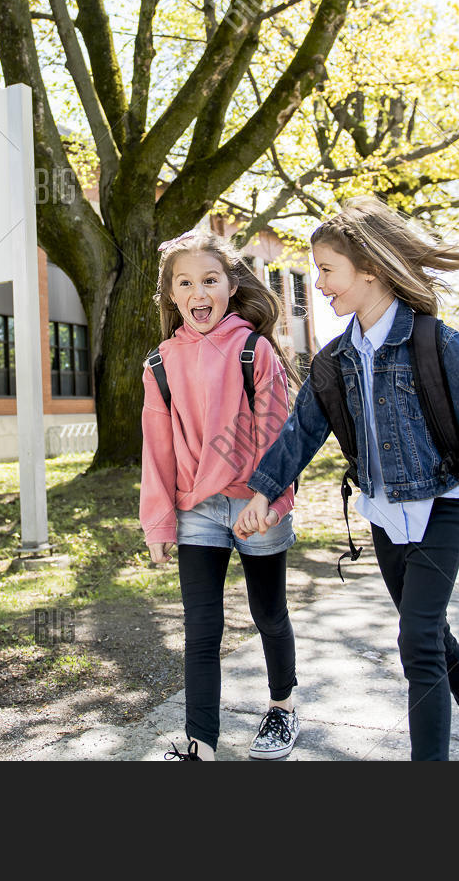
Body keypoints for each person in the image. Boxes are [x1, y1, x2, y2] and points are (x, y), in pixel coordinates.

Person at [237, 196, 459, 761]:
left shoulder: (434, 340)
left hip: (441, 506)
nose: (318, 283)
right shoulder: (335, 360)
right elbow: (301, 432)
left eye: (327, 270)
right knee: (428, 635)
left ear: (370, 270)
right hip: (382, 513)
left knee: (416, 642)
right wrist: (262, 491)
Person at [140, 228, 301, 761]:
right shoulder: (160, 364)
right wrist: (158, 523)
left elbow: (278, 433)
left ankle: (281, 709)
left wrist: (268, 500)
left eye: (209, 280)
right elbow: (156, 450)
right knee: (201, 629)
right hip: (197, 511)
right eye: (185, 283)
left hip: (257, 506)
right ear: (171, 294)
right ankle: (200, 745)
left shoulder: (254, 350)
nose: (198, 292)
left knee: (268, 613)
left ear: (230, 286)